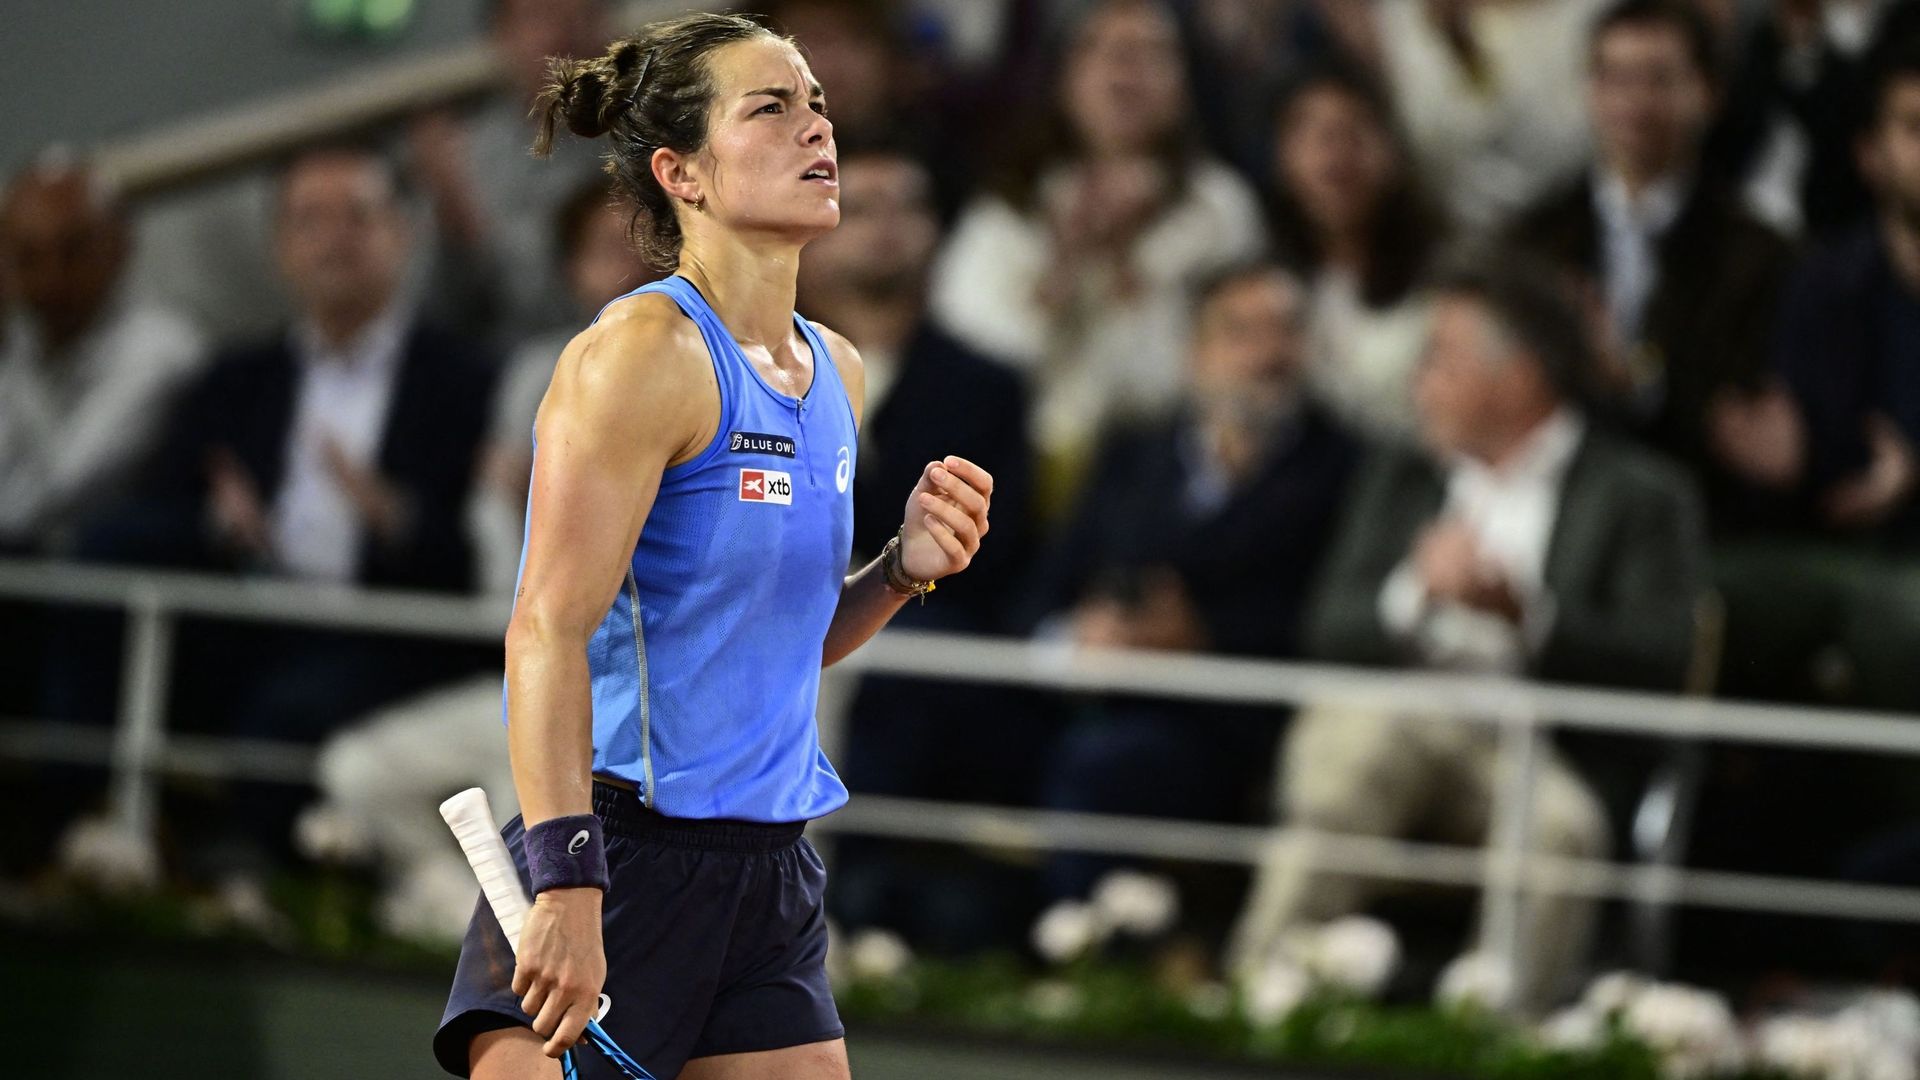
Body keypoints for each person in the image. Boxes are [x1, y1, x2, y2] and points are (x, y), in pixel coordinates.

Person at [433, 15, 994, 1080]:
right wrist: (566, 881)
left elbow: (778, 644)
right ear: (680, 172)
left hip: (769, 874)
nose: (815, 127)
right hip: (615, 851)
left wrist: (898, 571)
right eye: (771, 108)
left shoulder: (838, 371)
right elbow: (548, 626)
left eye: (818, 103)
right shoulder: (640, 353)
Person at [1229, 251, 1709, 1010]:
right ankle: (1258, 1006)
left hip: (1537, 744)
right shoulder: (1401, 475)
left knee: (1559, 836)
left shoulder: (1640, 494)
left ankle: (1498, 1042)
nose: (1420, 381)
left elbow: (1663, 657)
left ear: (1516, 377)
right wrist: (1415, 594)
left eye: (1441, 358)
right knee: (1344, 765)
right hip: (1399, 716)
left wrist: (1528, 617)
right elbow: (1326, 626)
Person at [1023, 261, 1362, 919]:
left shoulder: (1344, 467)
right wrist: (1078, 634)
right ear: (1195, 355)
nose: (1269, 354)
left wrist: (1196, 640)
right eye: (1242, 333)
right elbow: (1043, 588)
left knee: (1107, 763)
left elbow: (1332, 618)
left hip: (1230, 724)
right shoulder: (1133, 452)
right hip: (1081, 694)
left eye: (1286, 331)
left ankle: (1076, 958)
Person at [796, 144, 1036, 955]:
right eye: (860, 208)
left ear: (937, 233)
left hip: (919, 630)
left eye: (908, 207)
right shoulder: (770, 368)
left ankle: (811, 909)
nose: (886, 230)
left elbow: (996, 552)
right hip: (789, 619)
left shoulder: (985, 385)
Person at [927, 0, 1266, 502]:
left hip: (1167, 475)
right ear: (1063, 76)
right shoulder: (1010, 207)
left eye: (1152, 53)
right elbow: (967, 345)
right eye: (1102, 50)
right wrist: (1064, 267)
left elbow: (1244, 355)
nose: (1126, 70)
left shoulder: (1222, 209)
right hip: (1012, 470)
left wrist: (1131, 270)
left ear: (1184, 82)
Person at [1509, 0, 1795, 523]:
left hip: (1702, 515)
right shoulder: (1533, 243)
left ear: (1708, 94)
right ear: (1590, 92)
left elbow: (1744, 418)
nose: (1635, 104)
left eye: (1659, 80)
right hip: (1553, 513)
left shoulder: (1760, 255)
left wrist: (1638, 384)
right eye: (1615, 79)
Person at [0, 154, 205, 555]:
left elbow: (50, 498)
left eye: (73, 251)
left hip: (96, 597)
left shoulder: (161, 351)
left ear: (120, 246)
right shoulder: (22, 338)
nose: (51, 279)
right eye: (28, 257)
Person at [410, 0, 611, 344]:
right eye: (537, 17)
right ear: (502, 37)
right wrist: (456, 224)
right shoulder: (463, 157)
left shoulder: (647, 137)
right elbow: (438, 312)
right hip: (514, 362)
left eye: (577, 15)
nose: (558, 35)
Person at [1267, 64, 1449, 445]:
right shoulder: (1269, 284)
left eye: (1356, 128)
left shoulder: (1449, 274)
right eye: (1312, 131)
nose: (1336, 150)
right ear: (1281, 158)